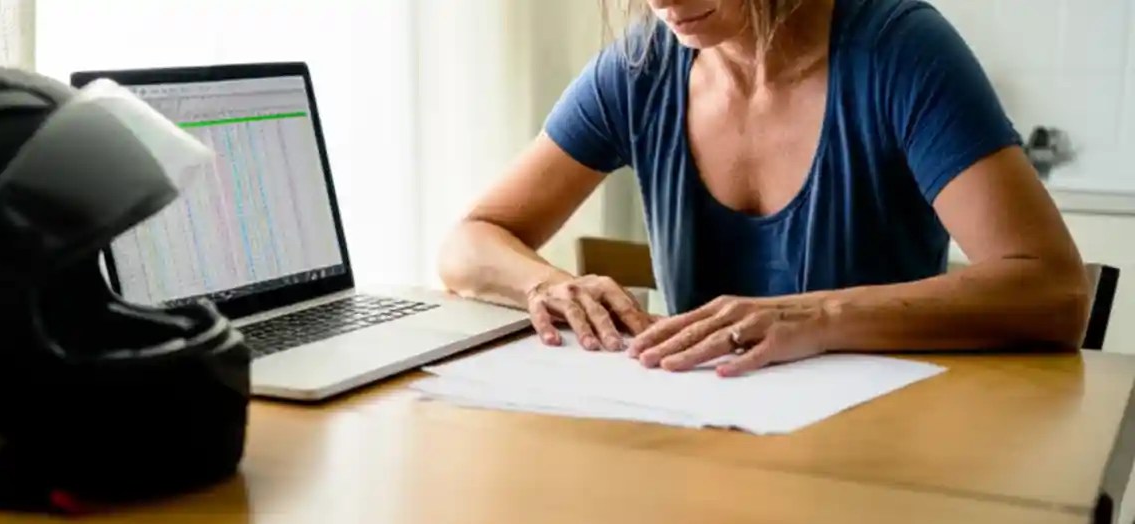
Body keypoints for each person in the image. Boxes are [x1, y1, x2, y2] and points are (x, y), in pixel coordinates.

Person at [437, 0, 1090, 377]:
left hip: (885, 459)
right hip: (712, 449)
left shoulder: (903, 52)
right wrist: (546, 286)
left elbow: (1054, 290)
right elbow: (468, 244)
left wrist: (821, 316)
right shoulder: (639, 68)